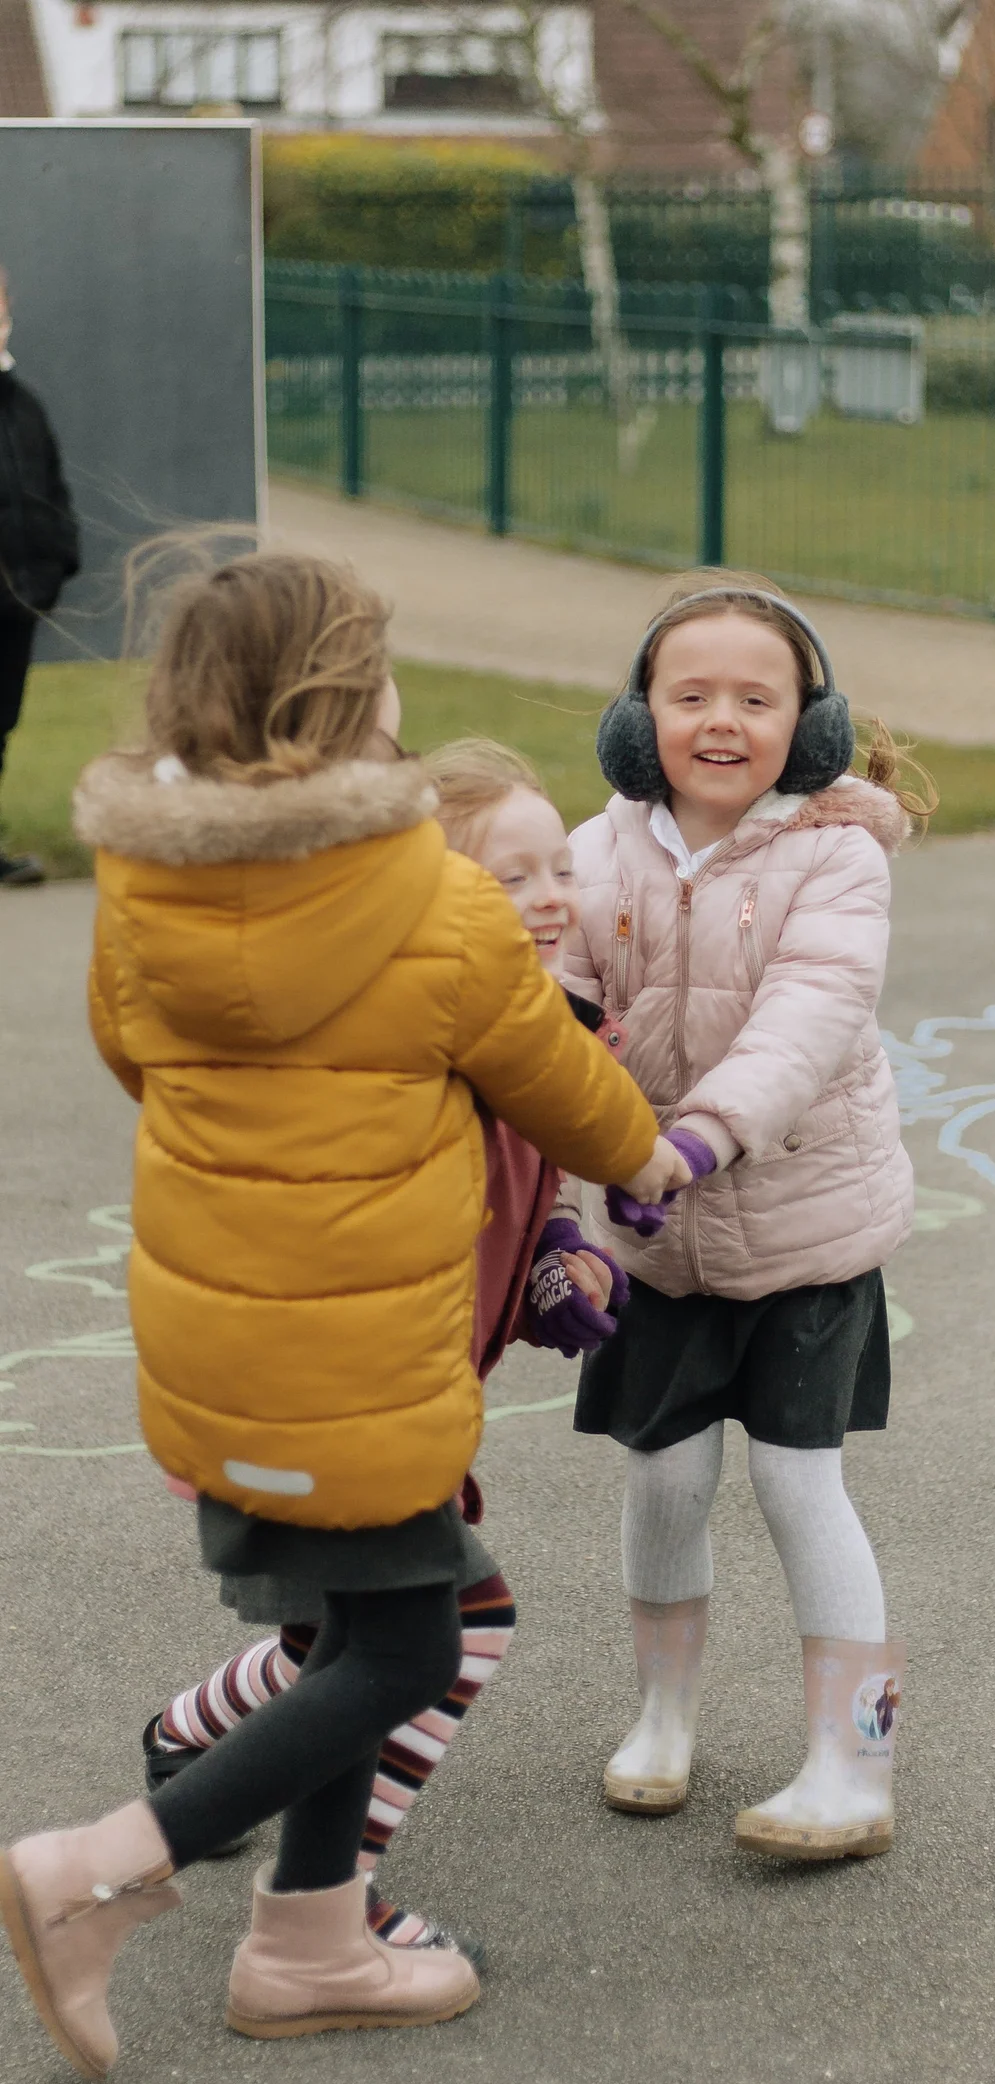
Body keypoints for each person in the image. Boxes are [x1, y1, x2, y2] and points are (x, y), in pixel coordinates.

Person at [0, 556, 687, 2082]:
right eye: (379, 676)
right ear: (343, 707)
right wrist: (649, 1161)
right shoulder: (433, 904)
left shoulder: (147, 891)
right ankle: (103, 1867)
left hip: (221, 1347)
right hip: (358, 1357)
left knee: (372, 1629)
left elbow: (135, 1060)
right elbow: (563, 1085)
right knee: (410, 1646)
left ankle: (310, 1937)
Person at [140, 739, 632, 1956]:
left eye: (560, 867)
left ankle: (195, 1735)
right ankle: (325, 1894)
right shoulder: (420, 1043)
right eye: (511, 879)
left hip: (405, 1392)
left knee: (344, 1643)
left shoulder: (554, 1026)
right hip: (340, 1399)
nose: (551, 899)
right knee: (452, 1625)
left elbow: (523, 1206)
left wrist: (561, 1263)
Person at [562, 571, 933, 1863]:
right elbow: (542, 992)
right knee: (664, 1478)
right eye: (690, 694)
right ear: (637, 719)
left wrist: (698, 1133)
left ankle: (856, 1760)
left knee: (797, 1482)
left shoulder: (837, 855)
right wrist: (560, 1055)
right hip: (654, 1242)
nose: (722, 719)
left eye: (757, 698)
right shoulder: (596, 844)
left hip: (801, 1227)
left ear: (810, 727)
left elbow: (808, 1018)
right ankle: (663, 1716)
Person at [0, 267, 80, 887]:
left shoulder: (23, 403)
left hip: (20, 602)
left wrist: (56, 565)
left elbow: (50, 490)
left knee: (1, 726)